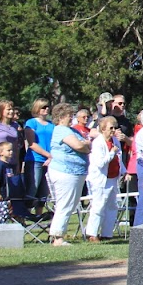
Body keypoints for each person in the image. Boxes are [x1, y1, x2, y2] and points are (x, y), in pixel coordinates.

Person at [46, 103, 92, 246]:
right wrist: (83, 145)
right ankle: (58, 238)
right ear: (61, 117)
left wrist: (84, 145)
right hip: (65, 172)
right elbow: (79, 146)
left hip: (76, 172)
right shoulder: (61, 130)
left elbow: (88, 146)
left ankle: (58, 235)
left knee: (70, 205)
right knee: (65, 204)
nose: (71, 118)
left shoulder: (71, 131)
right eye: (69, 115)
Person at [84, 117, 124, 241]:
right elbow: (101, 163)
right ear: (103, 129)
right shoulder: (98, 143)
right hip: (101, 179)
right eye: (110, 128)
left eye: (114, 128)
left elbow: (119, 158)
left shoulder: (115, 141)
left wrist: (124, 171)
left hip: (113, 177)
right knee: (99, 205)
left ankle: (107, 233)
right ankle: (92, 233)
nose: (113, 130)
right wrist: (111, 152)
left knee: (112, 206)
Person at [23, 98, 54, 219]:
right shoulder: (31, 123)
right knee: (33, 187)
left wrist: (51, 157)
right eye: (43, 107)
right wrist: (47, 155)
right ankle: (25, 215)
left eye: (47, 107)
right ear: (37, 108)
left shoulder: (51, 124)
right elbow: (32, 143)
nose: (46, 109)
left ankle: (39, 216)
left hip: (49, 160)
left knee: (44, 190)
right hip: (35, 159)